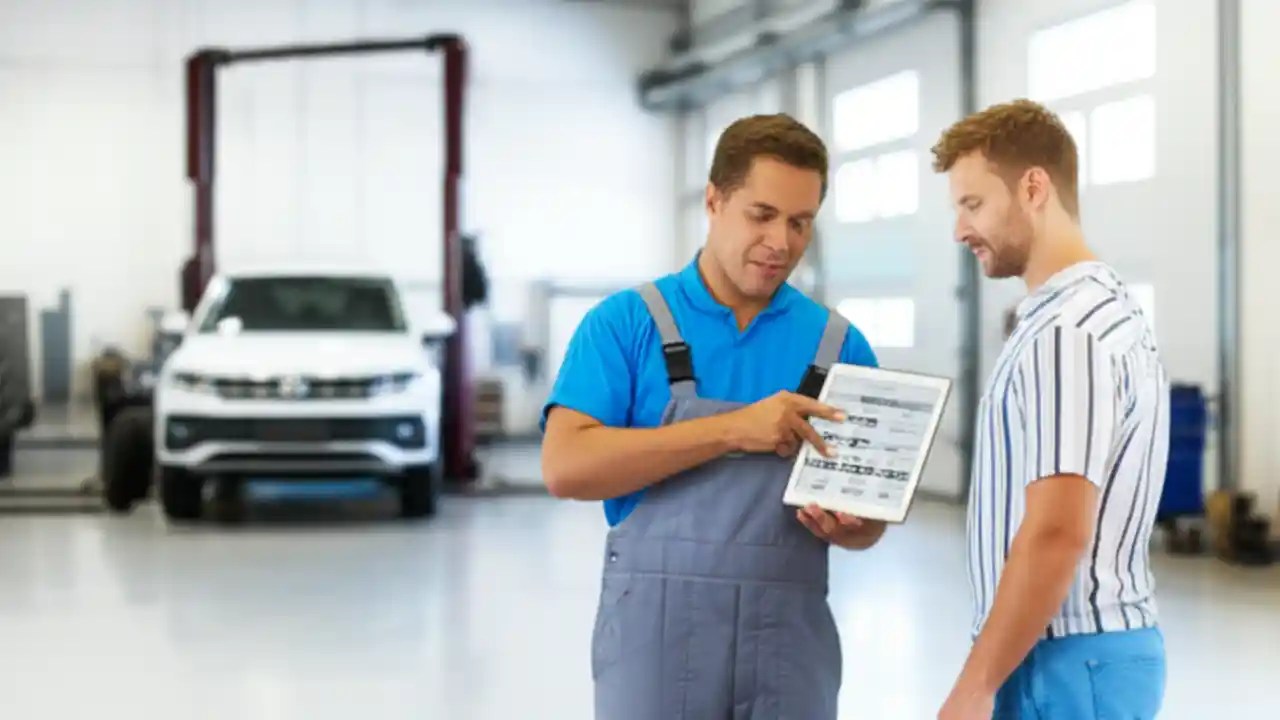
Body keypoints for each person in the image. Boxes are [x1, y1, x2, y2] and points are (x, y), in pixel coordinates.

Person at [540, 113, 882, 719]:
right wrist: (733, 429)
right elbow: (566, 468)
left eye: (800, 223)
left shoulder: (841, 347)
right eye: (762, 214)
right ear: (714, 200)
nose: (781, 242)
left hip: (790, 643)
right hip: (653, 638)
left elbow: (869, 518)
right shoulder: (626, 324)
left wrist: (855, 527)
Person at [930, 99, 1169, 720]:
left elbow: (1058, 530)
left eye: (972, 204)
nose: (959, 230)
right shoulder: (1104, 310)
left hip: (1064, 656)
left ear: (1033, 187)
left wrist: (973, 687)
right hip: (1083, 653)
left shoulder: (1067, 333)